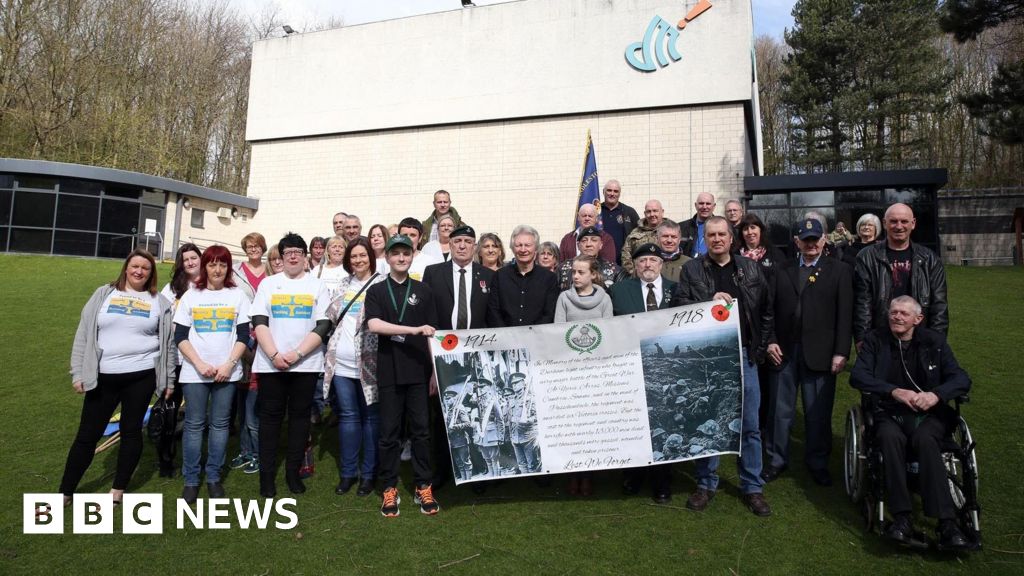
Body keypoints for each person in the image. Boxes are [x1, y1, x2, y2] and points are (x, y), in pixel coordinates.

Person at [671, 216, 774, 517]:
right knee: (709, 417)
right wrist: (708, 300)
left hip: (744, 354)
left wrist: (759, 347)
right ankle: (705, 483)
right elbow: (679, 306)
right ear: (705, 239)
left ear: (731, 238)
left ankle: (752, 486)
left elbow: (766, 310)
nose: (717, 239)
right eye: (711, 235)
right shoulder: (692, 270)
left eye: (721, 234)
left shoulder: (750, 268)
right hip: (710, 357)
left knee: (749, 425)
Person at [850, 296, 972, 550]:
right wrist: (893, 391)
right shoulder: (875, 340)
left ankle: (947, 522)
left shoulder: (935, 342)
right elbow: (858, 376)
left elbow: (961, 378)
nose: (897, 316)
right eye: (893, 312)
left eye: (904, 313)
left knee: (925, 439)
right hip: (890, 411)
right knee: (889, 438)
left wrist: (936, 395)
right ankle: (902, 518)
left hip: (930, 414)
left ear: (918, 319)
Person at [61, 249, 175, 506]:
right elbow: (84, 334)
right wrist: (78, 372)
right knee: (87, 435)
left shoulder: (160, 302)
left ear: (151, 273)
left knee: (131, 431)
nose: (139, 271)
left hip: (141, 376)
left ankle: (118, 490)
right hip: (103, 377)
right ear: (126, 268)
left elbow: (167, 344)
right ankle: (65, 492)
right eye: (135, 266)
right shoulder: (104, 293)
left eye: (145, 268)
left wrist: (168, 378)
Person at [762, 219, 853, 487]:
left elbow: (845, 315)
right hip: (784, 351)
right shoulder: (781, 269)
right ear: (797, 242)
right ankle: (776, 460)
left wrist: (841, 352)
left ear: (824, 240)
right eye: (806, 239)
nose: (811, 244)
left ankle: (818, 463)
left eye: (815, 239)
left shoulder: (840, 270)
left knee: (817, 413)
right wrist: (770, 341)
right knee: (780, 412)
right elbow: (768, 309)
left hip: (821, 353)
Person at [250, 233, 332, 497]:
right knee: (270, 420)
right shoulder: (268, 285)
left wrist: (297, 354)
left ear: (305, 256)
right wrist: (274, 354)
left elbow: (323, 324)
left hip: (305, 364)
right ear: (281, 257)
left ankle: (292, 473)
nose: (293, 256)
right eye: (288, 252)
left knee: (299, 420)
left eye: (298, 251)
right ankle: (266, 477)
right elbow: (259, 321)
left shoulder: (316, 286)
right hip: (271, 365)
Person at [364, 234, 440, 517]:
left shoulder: (424, 290)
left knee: (421, 432)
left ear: (411, 256)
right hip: (389, 371)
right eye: (395, 253)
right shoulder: (376, 291)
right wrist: (412, 330)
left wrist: (434, 373)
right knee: (389, 434)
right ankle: (389, 488)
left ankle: (423, 486)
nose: (401, 258)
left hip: (419, 370)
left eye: (405, 254)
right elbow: (374, 325)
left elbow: (432, 334)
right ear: (387, 257)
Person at [173, 245, 251, 503]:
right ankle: (191, 479)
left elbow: (243, 336)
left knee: (220, 425)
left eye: (223, 265)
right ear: (204, 267)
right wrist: (198, 363)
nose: (217, 270)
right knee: (194, 425)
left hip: (227, 372)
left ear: (228, 268)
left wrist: (229, 365)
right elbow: (180, 336)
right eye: (212, 264)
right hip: (195, 373)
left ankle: (214, 476)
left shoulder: (237, 296)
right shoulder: (191, 296)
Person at [422, 225, 495, 489]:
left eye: (467, 241)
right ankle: (442, 470)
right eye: (457, 241)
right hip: (443, 357)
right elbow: (428, 319)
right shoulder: (433, 273)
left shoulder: (488, 276)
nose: (462, 245)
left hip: (476, 357)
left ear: (474, 246)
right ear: (450, 245)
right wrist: (432, 366)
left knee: (476, 415)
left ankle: (477, 471)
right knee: (443, 417)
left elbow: (492, 320)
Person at [609, 243, 677, 504]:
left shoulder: (676, 290)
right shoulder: (618, 291)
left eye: (653, 260)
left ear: (661, 264)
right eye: (642, 261)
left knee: (662, 421)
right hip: (630, 366)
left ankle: (662, 480)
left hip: (664, 369)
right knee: (633, 421)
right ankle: (633, 475)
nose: (648, 264)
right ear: (635, 266)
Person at [324, 237, 384, 498]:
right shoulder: (343, 284)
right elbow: (330, 317)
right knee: (348, 417)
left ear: (371, 257)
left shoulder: (382, 284)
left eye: (362, 255)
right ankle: (348, 473)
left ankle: (368, 474)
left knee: (371, 418)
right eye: (354, 256)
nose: (358, 260)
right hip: (341, 363)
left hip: (370, 363)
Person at [555, 254, 613, 495]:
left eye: (581, 272)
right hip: (571, 370)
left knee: (591, 425)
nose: (575, 276)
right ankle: (572, 473)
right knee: (571, 425)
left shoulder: (604, 300)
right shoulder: (563, 298)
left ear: (593, 274)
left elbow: (609, 332)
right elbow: (558, 332)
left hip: (595, 370)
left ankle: (588, 474)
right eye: (573, 272)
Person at [853, 203, 948, 346]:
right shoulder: (867, 257)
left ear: (913, 223)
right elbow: (862, 302)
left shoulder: (930, 259)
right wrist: (862, 339)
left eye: (904, 221)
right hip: (879, 337)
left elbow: (939, 305)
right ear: (884, 223)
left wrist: (936, 341)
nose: (899, 226)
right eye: (893, 221)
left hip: (919, 337)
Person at [156, 243, 203, 477]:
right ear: (180, 264)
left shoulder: (209, 286)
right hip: (175, 359)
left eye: (194, 257)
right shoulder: (171, 289)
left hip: (198, 360)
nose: (191, 262)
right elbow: (162, 321)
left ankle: (193, 459)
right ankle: (166, 460)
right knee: (169, 412)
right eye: (186, 259)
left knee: (196, 413)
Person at [230, 233, 268, 476]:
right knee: (242, 401)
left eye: (257, 246)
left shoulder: (271, 272)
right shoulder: (235, 272)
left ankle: (257, 452)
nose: (253, 250)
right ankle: (245, 450)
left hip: (264, 335)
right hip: (242, 334)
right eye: (249, 246)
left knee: (255, 403)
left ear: (263, 248)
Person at [487, 225, 560, 328]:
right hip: (505, 335)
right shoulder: (499, 276)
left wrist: (530, 333)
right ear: (512, 248)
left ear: (536, 248)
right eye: (518, 245)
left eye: (527, 245)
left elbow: (549, 313)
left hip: (537, 335)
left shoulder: (549, 279)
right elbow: (493, 311)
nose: (523, 249)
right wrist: (507, 333)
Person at [556, 226, 625, 292]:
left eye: (594, 240)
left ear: (601, 245)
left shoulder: (615, 272)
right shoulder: (563, 269)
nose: (588, 244)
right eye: (584, 240)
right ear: (578, 245)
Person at [599, 179, 640, 264]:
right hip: (599, 261)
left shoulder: (629, 212)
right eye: (609, 190)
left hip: (624, 263)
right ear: (603, 192)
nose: (612, 194)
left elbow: (639, 235)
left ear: (619, 194)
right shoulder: (596, 211)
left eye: (616, 191)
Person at [621, 200, 665, 275]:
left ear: (662, 212)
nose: (652, 214)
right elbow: (626, 255)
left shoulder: (670, 230)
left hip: (665, 276)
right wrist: (634, 274)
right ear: (645, 213)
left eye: (655, 211)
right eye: (648, 211)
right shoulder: (635, 232)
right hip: (640, 276)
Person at [738, 213, 785, 279]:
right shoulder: (735, 255)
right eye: (745, 229)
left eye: (753, 227)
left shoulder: (775, 254)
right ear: (741, 233)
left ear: (760, 230)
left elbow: (783, 279)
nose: (750, 232)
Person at [680, 192, 716, 258]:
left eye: (708, 204)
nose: (704, 207)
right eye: (701, 203)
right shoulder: (681, 227)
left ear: (714, 206)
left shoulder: (722, 227)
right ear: (696, 205)